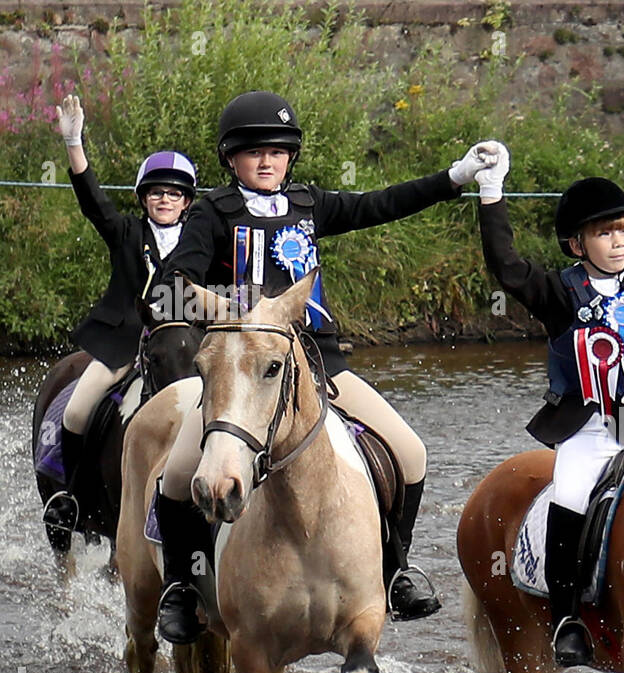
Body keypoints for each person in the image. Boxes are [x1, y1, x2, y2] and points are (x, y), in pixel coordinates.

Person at [150, 90, 500, 643]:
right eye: (252, 152)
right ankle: (179, 586)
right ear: (231, 159)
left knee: (410, 452)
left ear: (291, 156)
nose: (267, 162)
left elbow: (382, 204)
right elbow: (170, 284)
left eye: (277, 151)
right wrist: (228, 307)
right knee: (175, 474)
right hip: (241, 371)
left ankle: (395, 568)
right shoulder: (212, 213)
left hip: (319, 365)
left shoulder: (311, 205)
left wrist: (453, 177)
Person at [476, 153, 624, 667]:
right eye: (604, 234)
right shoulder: (558, 291)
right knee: (571, 496)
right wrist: (490, 193)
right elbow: (505, 266)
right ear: (577, 244)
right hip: (583, 428)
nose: (618, 243)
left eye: (623, 233)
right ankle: (568, 618)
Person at [42, 92, 197, 550]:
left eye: (173, 193)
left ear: (187, 201)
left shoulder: (200, 237)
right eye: (156, 192)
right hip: (126, 341)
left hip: (185, 345)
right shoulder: (127, 231)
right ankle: (70, 497)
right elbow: (93, 203)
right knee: (76, 409)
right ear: (144, 198)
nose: (164, 199)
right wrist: (74, 143)